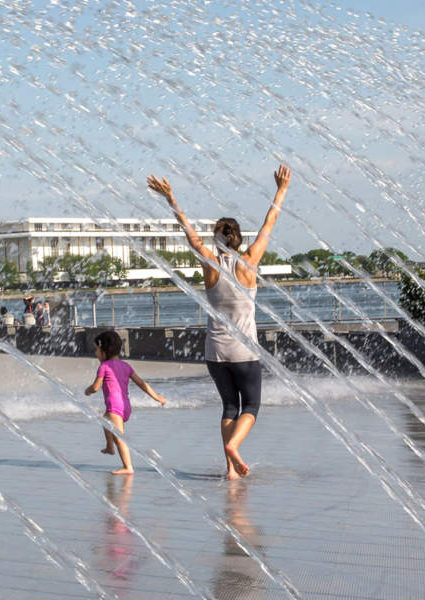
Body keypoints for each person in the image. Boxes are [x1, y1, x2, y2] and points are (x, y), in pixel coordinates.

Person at [147, 164, 291, 479]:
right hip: (244, 352)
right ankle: (233, 449)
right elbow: (270, 224)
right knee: (251, 407)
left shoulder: (209, 264)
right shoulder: (250, 261)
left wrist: (171, 198)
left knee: (228, 407)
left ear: (217, 241)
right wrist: (281, 189)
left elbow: (189, 232)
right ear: (238, 240)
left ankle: (230, 470)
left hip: (215, 352)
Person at [84, 330, 167, 475]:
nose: (96, 353)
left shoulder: (104, 367)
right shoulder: (126, 366)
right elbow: (142, 383)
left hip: (114, 407)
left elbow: (96, 387)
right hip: (125, 406)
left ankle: (128, 467)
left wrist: (88, 391)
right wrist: (157, 397)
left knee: (120, 437)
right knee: (104, 421)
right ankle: (110, 447)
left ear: (104, 351)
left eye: (97, 350)